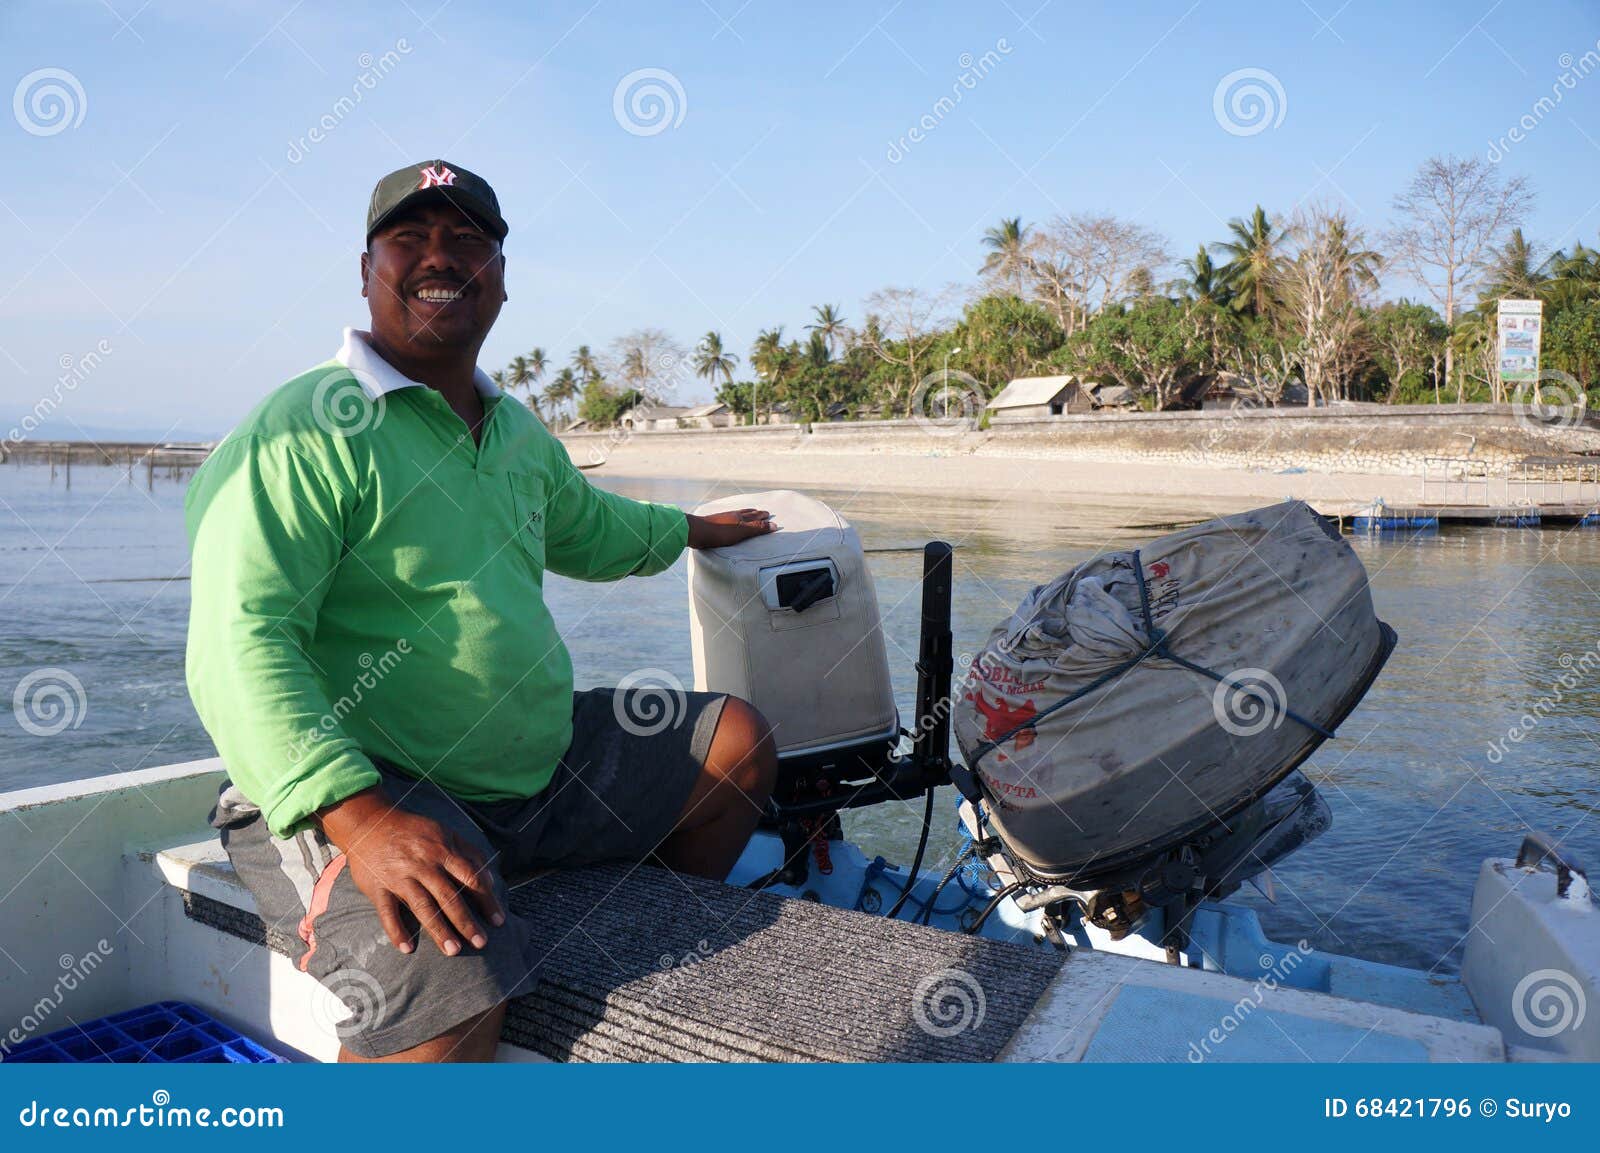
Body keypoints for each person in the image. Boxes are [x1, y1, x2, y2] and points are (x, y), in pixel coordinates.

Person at [184, 159, 778, 1063]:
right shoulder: (301, 429)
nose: (439, 257)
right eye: (410, 238)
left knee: (736, 747)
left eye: (466, 239)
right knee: (446, 998)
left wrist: (694, 528)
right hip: (360, 785)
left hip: (533, 774)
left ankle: (607, 961)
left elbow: (591, 527)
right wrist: (365, 821)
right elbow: (240, 642)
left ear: (499, 278)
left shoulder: (514, 432)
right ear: (366, 268)